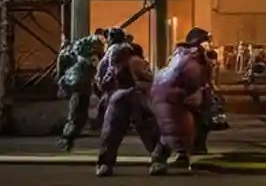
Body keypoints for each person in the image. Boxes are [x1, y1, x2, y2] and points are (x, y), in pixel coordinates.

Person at [147, 27, 214, 175]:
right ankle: (160, 160)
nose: (209, 45)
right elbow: (196, 81)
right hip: (172, 98)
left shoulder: (188, 57)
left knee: (186, 128)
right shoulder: (189, 59)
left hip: (174, 97)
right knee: (173, 130)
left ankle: (181, 154)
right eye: (205, 42)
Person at [95, 31, 159, 177]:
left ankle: (105, 163)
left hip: (119, 96)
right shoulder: (126, 55)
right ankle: (158, 159)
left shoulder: (109, 56)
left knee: (112, 131)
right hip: (129, 95)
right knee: (147, 127)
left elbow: (100, 81)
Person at [56, 34, 105, 151]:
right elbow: (94, 76)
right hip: (81, 90)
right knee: (76, 115)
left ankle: (68, 138)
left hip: (78, 89)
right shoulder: (88, 60)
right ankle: (66, 138)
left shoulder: (76, 57)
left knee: (78, 116)